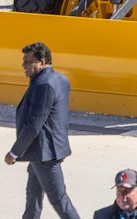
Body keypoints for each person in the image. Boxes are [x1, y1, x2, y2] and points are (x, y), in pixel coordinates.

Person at [5, 42, 81, 219]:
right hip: (41, 151)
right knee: (33, 198)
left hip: (45, 153)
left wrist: (14, 152)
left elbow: (34, 124)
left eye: (28, 62)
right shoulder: (60, 79)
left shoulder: (44, 85)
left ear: (43, 61)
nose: (23, 66)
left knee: (60, 201)